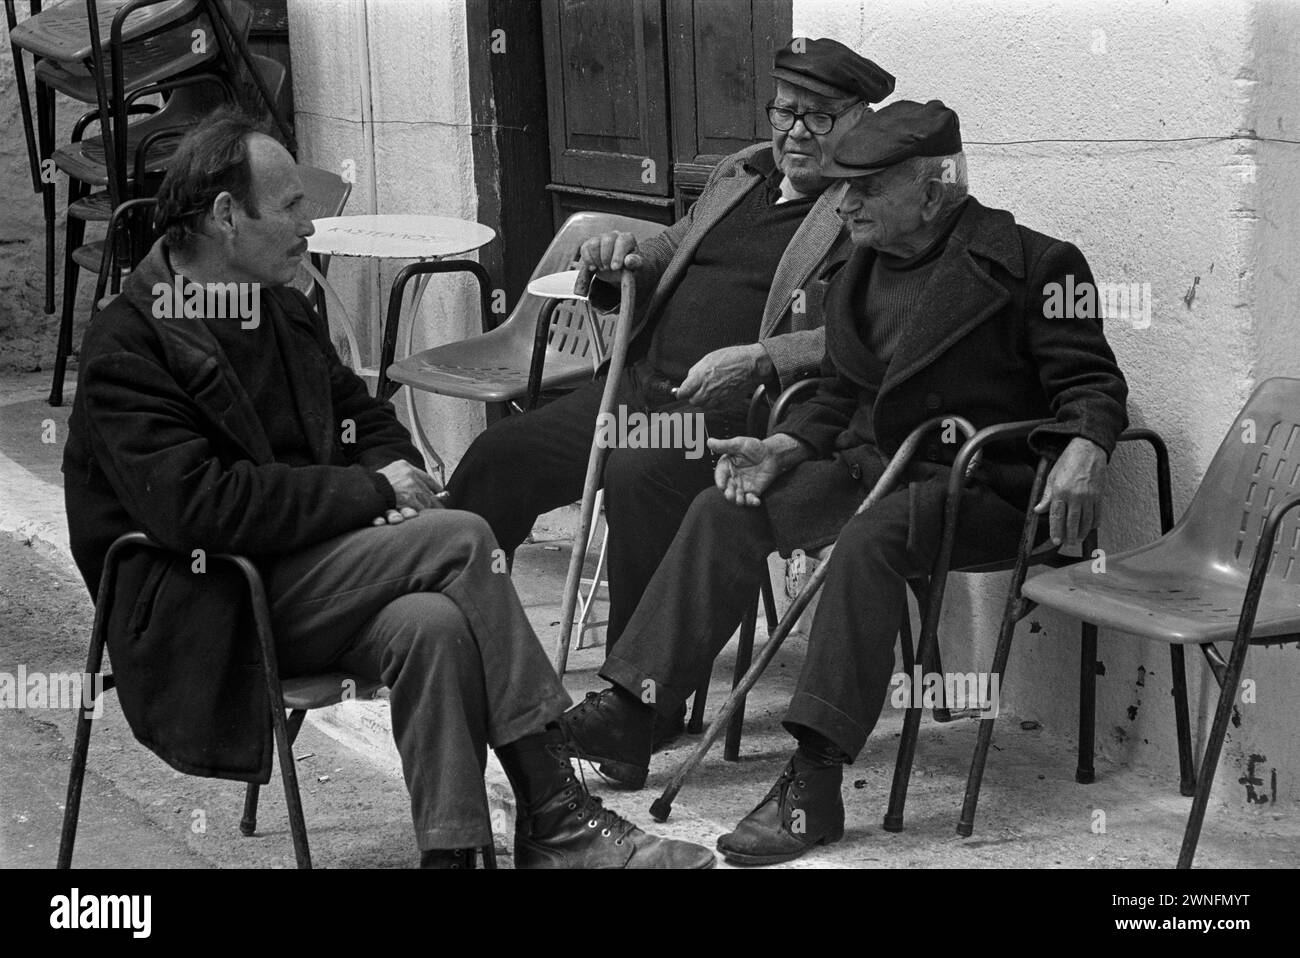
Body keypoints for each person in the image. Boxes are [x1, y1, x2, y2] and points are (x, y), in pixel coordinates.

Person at [61, 108, 713, 869]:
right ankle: (556, 814)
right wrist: (372, 495)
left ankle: (454, 854)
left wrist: (387, 483)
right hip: (210, 604)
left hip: (307, 574)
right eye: (292, 207)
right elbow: (195, 509)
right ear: (225, 217)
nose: (310, 225)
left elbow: (367, 420)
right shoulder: (129, 342)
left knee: (430, 623)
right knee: (463, 536)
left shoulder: (276, 304)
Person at [555, 99, 1130, 862]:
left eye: (866, 188)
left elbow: (1092, 382)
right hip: (867, 467)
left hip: (978, 484)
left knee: (869, 540)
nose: (844, 204)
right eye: (842, 185)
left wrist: (1087, 442)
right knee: (727, 507)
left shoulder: (1036, 264)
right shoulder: (862, 261)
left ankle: (814, 780)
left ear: (934, 190)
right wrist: (788, 445)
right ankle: (634, 708)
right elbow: (840, 389)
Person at [446, 39, 895, 701]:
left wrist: (761, 357)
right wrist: (617, 257)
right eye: (785, 112)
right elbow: (667, 250)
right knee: (499, 454)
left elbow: (874, 331)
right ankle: (454, 633)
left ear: (860, 118)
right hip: (637, 383)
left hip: (736, 410)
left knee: (637, 474)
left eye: (820, 117)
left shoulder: (866, 207)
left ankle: (635, 702)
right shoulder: (741, 174)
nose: (796, 133)